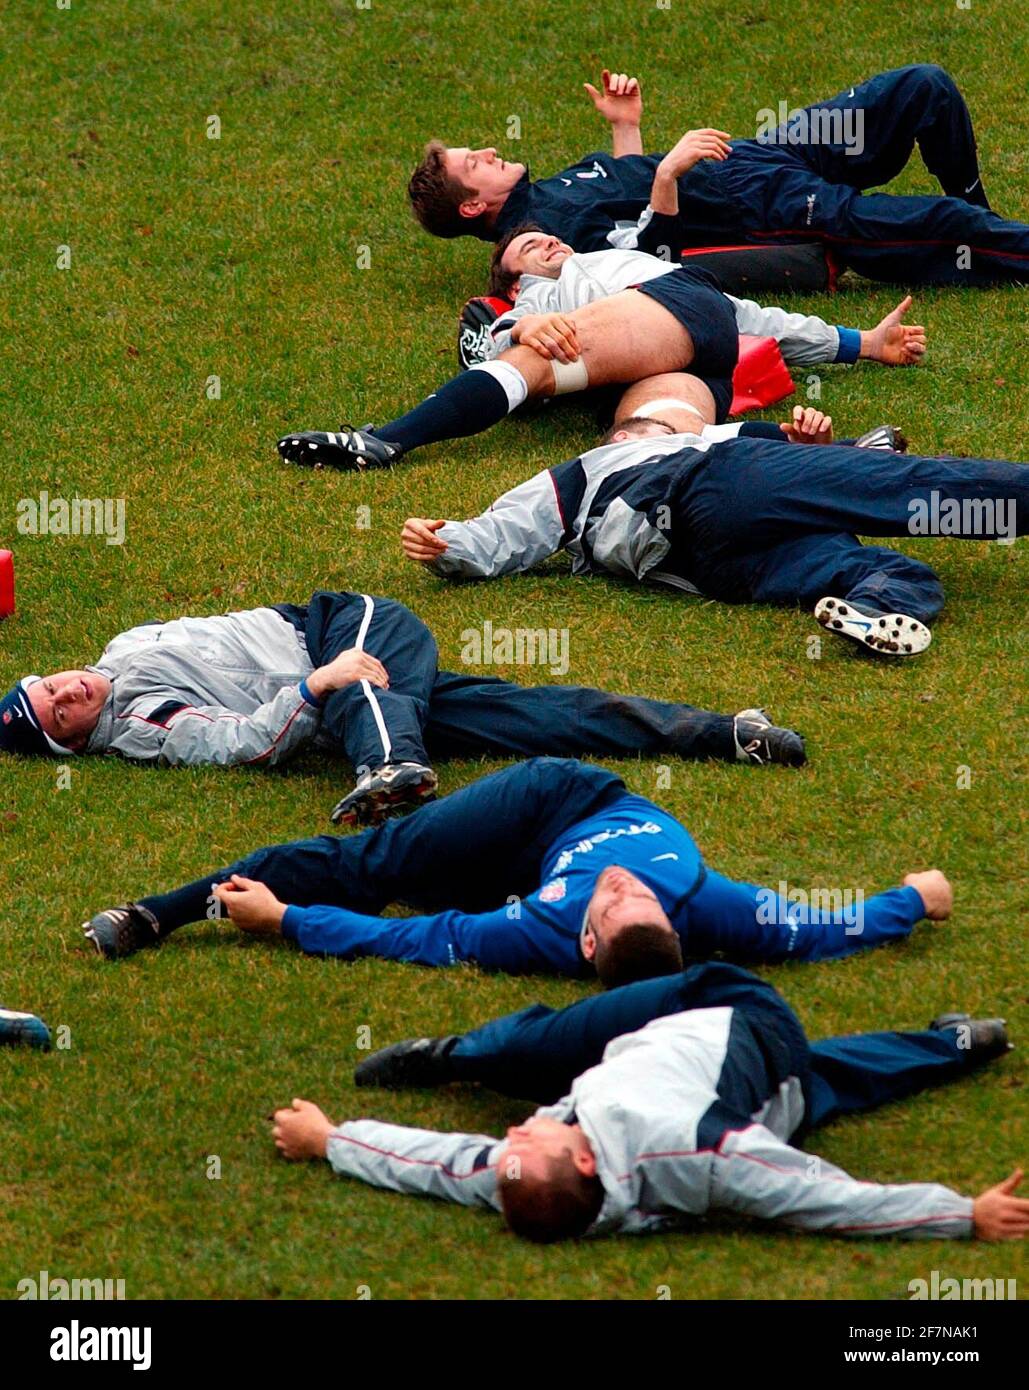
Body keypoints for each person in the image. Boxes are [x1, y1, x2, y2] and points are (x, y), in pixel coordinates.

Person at [271, 961, 1024, 1243]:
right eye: (534, 1139)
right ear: (588, 1155)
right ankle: (448, 1053)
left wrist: (329, 1138)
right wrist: (962, 1214)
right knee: (538, 1043)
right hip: (729, 1006)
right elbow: (821, 1197)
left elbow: (426, 1161)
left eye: (511, 1145)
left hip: (754, 1087)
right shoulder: (703, 1151)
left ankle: (954, 1044)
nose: (511, 1132)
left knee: (819, 1082)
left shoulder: (526, 1179)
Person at [0, 589, 802, 826]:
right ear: (75, 744)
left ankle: (388, 763)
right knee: (539, 716)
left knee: (367, 700)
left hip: (347, 622)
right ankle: (724, 733)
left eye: (52, 685)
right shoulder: (141, 730)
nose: (69, 692)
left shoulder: (122, 643)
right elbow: (241, 744)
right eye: (61, 713)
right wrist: (319, 685)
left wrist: (328, 671)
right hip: (334, 666)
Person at [83, 758, 951, 972]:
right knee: (372, 862)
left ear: (584, 942)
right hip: (558, 801)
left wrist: (283, 921)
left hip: (521, 877)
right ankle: (166, 910)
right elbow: (829, 929)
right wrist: (916, 896)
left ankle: (423, 835)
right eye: (635, 896)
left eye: (613, 908)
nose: (625, 888)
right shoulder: (711, 906)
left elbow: (419, 944)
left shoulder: (532, 933)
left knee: (405, 894)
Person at [276, 228, 923, 471]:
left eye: (545, 237)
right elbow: (507, 335)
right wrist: (519, 325)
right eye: (525, 249)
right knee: (651, 447)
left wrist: (858, 343)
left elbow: (749, 315)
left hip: (681, 306)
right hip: (692, 370)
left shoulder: (610, 261)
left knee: (532, 365)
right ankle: (840, 458)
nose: (545, 245)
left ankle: (386, 439)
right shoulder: (535, 301)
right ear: (511, 281)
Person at [401, 420, 1028, 657]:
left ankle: (873, 609)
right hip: (710, 489)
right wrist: (448, 541)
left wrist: (452, 548)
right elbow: (509, 525)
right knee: (915, 489)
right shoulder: (604, 462)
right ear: (627, 436)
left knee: (876, 564)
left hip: (715, 572)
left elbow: (503, 538)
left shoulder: (706, 438)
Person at [407, 65, 1029, 287]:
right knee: (940, 226)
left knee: (923, 88)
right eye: (473, 163)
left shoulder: (544, 191)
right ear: (471, 207)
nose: (487, 150)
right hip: (764, 205)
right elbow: (646, 257)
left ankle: (986, 215)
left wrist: (628, 128)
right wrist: (670, 171)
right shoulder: (541, 235)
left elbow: (625, 190)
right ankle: (999, 237)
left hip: (760, 153)